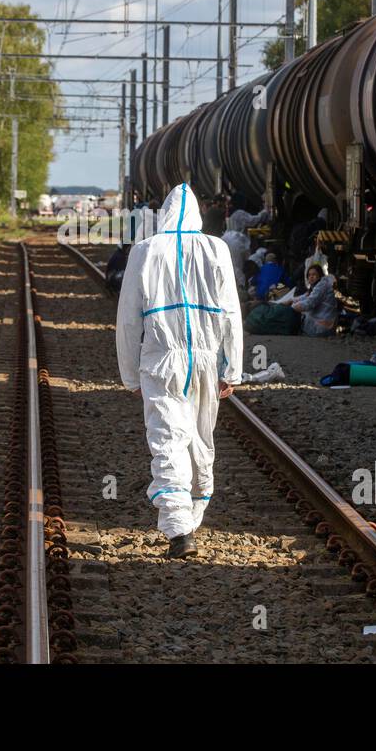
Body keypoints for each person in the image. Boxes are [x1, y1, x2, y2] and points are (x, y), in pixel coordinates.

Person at [116, 182, 244, 559]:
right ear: (197, 216)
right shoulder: (216, 248)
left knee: (168, 440)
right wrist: (232, 368)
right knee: (200, 442)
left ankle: (180, 527)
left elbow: (127, 321)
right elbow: (231, 314)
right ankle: (188, 518)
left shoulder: (144, 251)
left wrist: (130, 376)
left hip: (161, 360)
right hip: (206, 360)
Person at [275, 262, 339, 336]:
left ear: (320, 276)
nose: (311, 277)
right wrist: (290, 301)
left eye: (314, 274)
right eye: (309, 275)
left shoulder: (322, 285)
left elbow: (309, 303)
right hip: (320, 324)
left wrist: (291, 307)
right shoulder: (316, 286)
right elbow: (304, 297)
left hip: (323, 326)